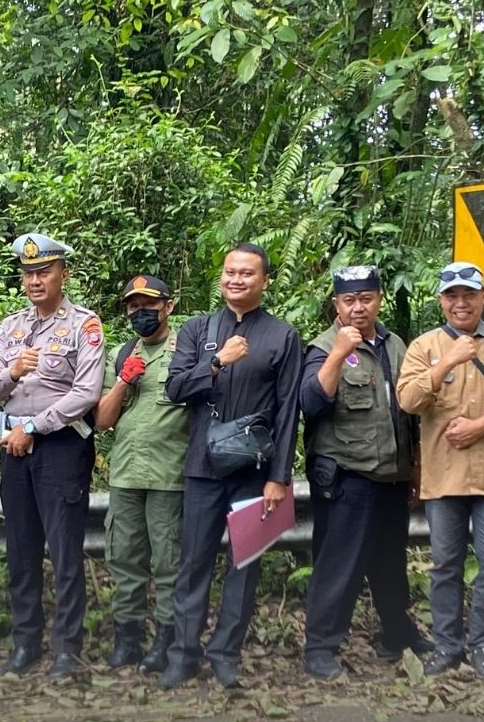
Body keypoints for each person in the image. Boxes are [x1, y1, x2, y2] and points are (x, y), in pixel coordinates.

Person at [158, 243, 301, 689]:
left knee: (246, 565)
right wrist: (217, 362)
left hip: (255, 472)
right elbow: (176, 389)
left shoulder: (282, 336)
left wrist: (279, 476)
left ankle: (226, 654)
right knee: (193, 563)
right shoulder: (197, 330)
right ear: (221, 278)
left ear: (265, 281)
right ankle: (184, 655)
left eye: (247, 273)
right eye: (230, 272)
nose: (236, 279)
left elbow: (288, 410)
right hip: (203, 467)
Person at [395, 262, 484, 680]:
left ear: (483, 297)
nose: (461, 303)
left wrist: (483, 424)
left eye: (469, 294)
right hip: (444, 475)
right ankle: (447, 645)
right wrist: (447, 362)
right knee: (446, 565)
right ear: (441, 300)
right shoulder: (424, 346)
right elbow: (407, 400)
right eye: (452, 295)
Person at [0, 233, 104, 680]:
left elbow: (86, 394)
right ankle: (25, 644)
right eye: (28, 272)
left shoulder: (84, 326)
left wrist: (31, 428)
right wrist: (13, 371)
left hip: (61, 449)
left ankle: (67, 649)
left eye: (44, 271)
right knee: (21, 551)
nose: (35, 280)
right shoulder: (10, 327)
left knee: (65, 553)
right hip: (14, 453)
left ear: (62, 274)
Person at [299, 266, 431, 680]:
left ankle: (397, 633)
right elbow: (311, 402)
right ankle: (320, 647)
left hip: (391, 474)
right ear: (336, 305)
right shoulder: (322, 347)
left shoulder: (395, 344)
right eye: (349, 300)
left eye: (367, 298)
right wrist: (339, 352)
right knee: (339, 566)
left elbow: (407, 410)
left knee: (390, 562)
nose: (359, 308)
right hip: (347, 476)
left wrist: (415, 465)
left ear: (378, 300)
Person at [94, 274, 188, 672]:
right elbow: (102, 420)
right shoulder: (123, 352)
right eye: (133, 306)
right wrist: (124, 380)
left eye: (149, 304)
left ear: (168, 305)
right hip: (126, 475)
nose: (140, 312)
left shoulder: (187, 348)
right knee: (125, 562)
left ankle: (166, 643)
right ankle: (127, 640)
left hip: (171, 475)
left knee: (169, 564)